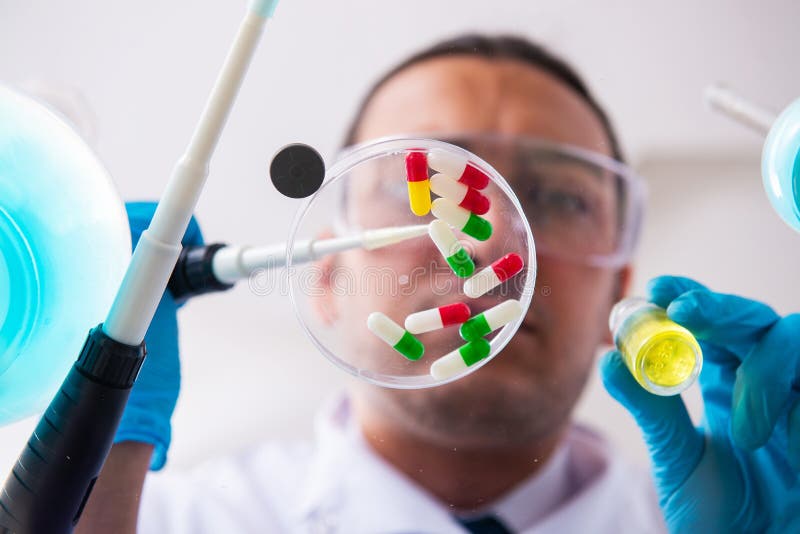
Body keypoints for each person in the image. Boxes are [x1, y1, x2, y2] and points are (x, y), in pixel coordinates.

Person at [77, 35, 800, 534]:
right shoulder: (154, 519)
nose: (492, 242)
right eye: (426, 186)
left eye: (559, 199)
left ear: (623, 292)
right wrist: (83, 491)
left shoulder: (722, 519)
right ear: (326, 275)